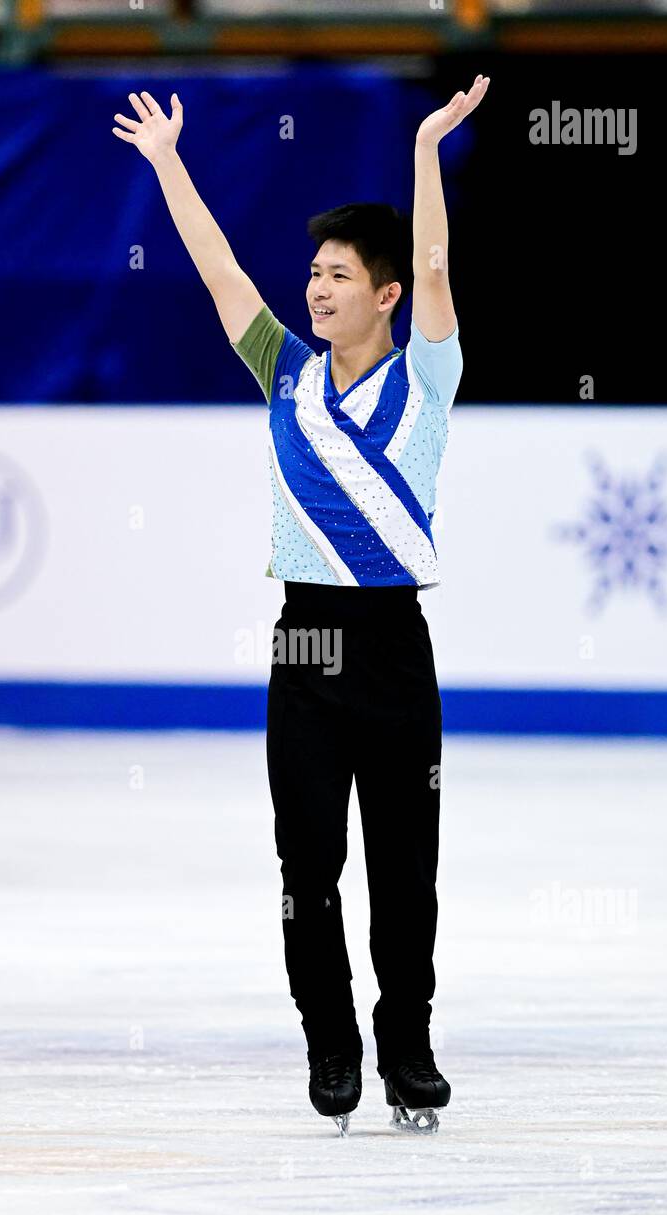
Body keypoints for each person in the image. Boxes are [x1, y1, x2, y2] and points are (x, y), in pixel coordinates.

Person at [112, 74, 490, 1134]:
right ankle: (331, 1041)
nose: (316, 290)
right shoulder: (283, 371)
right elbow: (220, 270)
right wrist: (168, 163)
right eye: (313, 274)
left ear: (385, 295)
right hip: (306, 645)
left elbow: (434, 261)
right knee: (306, 862)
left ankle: (406, 1044)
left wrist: (424, 148)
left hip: (394, 643)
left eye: (338, 276)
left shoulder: (425, 379)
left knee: (404, 868)